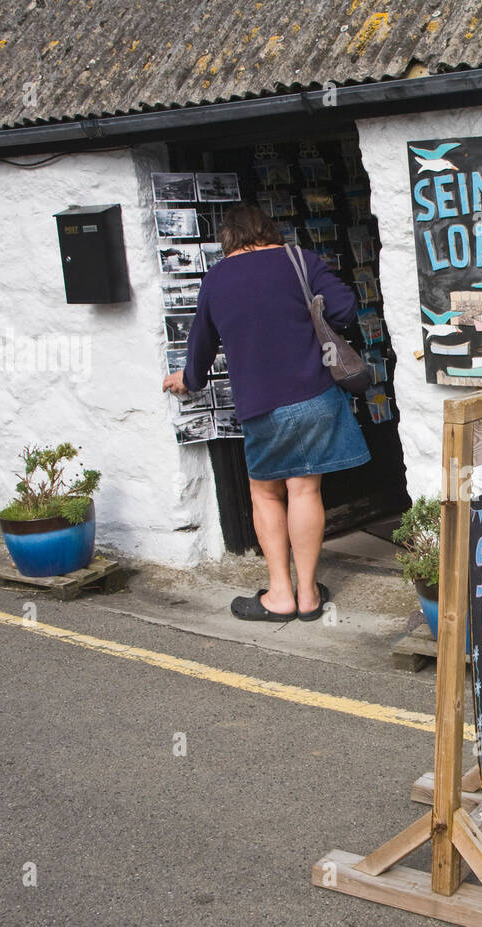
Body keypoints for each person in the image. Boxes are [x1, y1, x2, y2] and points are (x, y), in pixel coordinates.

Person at [162, 204, 369, 622]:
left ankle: (280, 595)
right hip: (316, 395)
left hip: (263, 404)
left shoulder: (217, 279)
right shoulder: (299, 260)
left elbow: (200, 350)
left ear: (228, 239)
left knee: (266, 492)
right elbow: (346, 309)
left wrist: (188, 379)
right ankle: (309, 595)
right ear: (268, 231)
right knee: (306, 489)